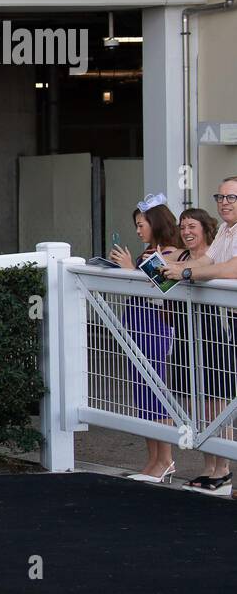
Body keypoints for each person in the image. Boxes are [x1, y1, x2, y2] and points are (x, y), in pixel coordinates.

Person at [109, 194, 183, 482]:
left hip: (155, 328)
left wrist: (131, 269)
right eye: (136, 225)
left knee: (156, 392)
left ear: (156, 223)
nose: (138, 231)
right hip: (137, 324)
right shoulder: (148, 252)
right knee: (142, 393)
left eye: (142, 225)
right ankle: (152, 459)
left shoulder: (173, 252)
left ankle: (165, 459)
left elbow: (162, 287)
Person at [168, 207, 233, 494]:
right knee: (197, 404)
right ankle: (209, 466)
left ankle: (224, 469)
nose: (186, 231)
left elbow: (220, 269)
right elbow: (164, 284)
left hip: (215, 332)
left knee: (217, 402)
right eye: (182, 227)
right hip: (186, 334)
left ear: (204, 228)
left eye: (191, 226)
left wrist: (186, 271)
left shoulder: (212, 251)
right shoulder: (183, 256)